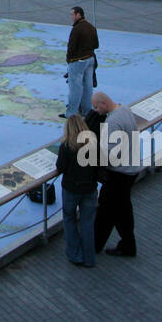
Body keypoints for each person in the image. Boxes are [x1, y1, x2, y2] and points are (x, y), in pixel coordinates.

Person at [91, 91, 140, 258]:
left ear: (104, 104)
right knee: (122, 209)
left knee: (107, 210)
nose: (96, 111)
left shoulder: (112, 122)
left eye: (96, 107)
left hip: (119, 173)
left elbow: (111, 156)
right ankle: (127, 245)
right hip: (132, 168)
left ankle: (95, 245)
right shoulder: (125, 110)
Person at [55, 113, 98, 267]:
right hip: (90, 188)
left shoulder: (66, 146)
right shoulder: (93, 144)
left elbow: (60, 168)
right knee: (87, 223)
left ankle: (75, 254)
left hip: (71, 189)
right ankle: (89, 257)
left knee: (69, 219)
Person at [65, 6, 99, 118]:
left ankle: (71, 113)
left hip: (78, 61)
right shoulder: (91, 27)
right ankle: (86, 110)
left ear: (78, 14)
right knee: (88, 86)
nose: (71, 17)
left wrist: (69, 60)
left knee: (75, 88)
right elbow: (96, 45)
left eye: (72, 14)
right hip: (90, 60)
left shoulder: (76, 29)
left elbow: (71, 47)